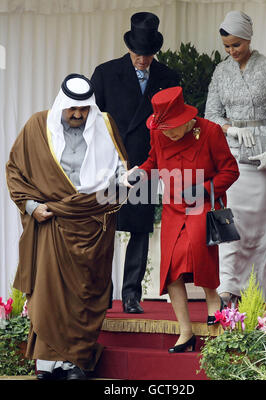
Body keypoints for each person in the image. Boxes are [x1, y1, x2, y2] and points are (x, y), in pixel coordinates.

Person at [6, 74, 129, 380]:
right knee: (49, 294)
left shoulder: (105, 126)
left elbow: (119, 172)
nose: (77, 115)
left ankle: (75, 363)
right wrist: (33, 208)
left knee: (85, 295)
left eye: (83, 110)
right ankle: (47, 366)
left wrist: (126, 181)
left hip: (92, 223)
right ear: (62, 104)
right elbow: (15, 170)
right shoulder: (38, 127)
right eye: (72, 109)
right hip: (52, 223)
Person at [125, 86, 239, 352]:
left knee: (198, 250)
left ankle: (214, 302)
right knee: (171, 270)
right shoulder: (158, 132)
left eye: (173, 128)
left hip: (202, 203)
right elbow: (153, 160)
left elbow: (230, 171)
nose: (168, 134)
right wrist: (140, 174)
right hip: (173, 207)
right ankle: (185, 333)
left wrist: (204, 189)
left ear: (186, 118)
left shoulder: (209, 131)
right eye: (163, 129)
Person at [91, 12, 179, 314]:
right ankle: (103, 294)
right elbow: (92, 122)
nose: (142, 59)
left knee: (140, 229)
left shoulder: (168, 77)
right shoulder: (104, 73)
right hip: (110, 165)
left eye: (148, 54)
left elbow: (173, 125)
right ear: (129, 48)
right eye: (137, 53)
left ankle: (131, 295)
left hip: (146, 163)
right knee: (105, 228)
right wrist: (103, 162)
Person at [205, 11, 266, 306]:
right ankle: (227, 287)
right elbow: (211, 114)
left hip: (263, 158)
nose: (231, 51)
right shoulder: (220, 71)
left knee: (258, 230)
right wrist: (230, 129)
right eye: (227, 46)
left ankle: (254, 295)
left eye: (236, 45)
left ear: (249, 39)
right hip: (231, 154)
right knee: (231, 222)